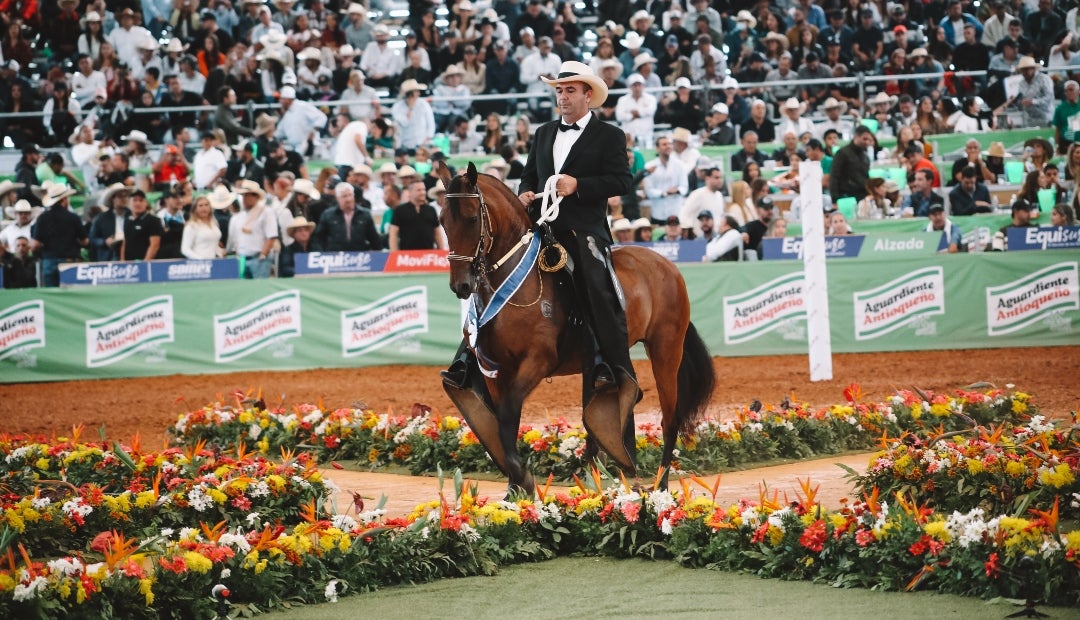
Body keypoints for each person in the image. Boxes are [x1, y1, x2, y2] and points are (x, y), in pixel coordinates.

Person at [445, 59, 636, 405]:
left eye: (570, 91)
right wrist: (524, 194)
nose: (562, 97)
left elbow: (622, 180)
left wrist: (578, 185)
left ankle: (608, 364)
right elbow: (530, 176)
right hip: (541, 226)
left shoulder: (610, 135)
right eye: (560, 91)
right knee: (491, 272)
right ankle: (466, 360)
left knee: (594, 282)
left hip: (583, 230)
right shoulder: (544, 132)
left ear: (588, 95)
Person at [31, 182, 86, 287]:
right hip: (69, 262)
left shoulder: (43, 218)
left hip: (49, 261)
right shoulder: (73, 217)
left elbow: (34, 245)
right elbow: (85, 241)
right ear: (64, 200)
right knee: (71, 295)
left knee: (52, 295)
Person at [227, 180, 279, 278]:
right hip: (242, 259)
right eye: (243, 196)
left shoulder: (266, 212)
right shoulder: (237, 217)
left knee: (260, 288)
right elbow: (234, 239)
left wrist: (263, 255)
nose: (245, 198)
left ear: (256, 197)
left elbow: (271, 236)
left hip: (259, 257)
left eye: (248, 195)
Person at [313, 182, 383, 251]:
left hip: (359, 256)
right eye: (344, 196)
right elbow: (318, 238)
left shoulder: (365, 214)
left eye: (350, 195)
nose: (348, 199)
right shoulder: (328, 215)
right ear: (337, 198)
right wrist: (321, 254)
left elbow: (374, 239)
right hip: (335, 257)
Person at [642, 135, 688, 224]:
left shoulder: (679, 164)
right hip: (658, 213)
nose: (668, 146)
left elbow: (684, 187)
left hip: (676, 212)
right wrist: (664, 193)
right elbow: (649, 191)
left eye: (669, 144)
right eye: (664, 144)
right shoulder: (649, 166)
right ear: (657, 148)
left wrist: (677, 190)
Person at [389, 180, 447, 250]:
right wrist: (394, 253)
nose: (423, 192)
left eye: (424, 189)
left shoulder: (431, 210)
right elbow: (393, 234)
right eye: (419, 190)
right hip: (406, 256)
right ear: (410, 192)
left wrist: (441, 251)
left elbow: (437, 233)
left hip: (428, 255)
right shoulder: (400, 210)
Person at [88, 184, 131, 261]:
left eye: (126, 196)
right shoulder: (101, 218)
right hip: (109, 255)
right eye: (120, 196)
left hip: (128, 253)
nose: (124, 199)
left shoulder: (132, 216)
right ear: (112, 199)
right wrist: (105, 242)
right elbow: (92, 239)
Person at [829, 125, 873, 201]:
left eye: (869, 140)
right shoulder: (842, 153)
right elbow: (834, 176)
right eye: (864, 139)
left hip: (862, 196)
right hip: (846, 196)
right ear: (856, 136)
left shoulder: (865, 157)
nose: (867, 142)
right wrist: (835, 199)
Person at [120, 190, 162, 261]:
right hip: (129, 264)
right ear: (129, 203)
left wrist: (144, 264)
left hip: (145, 263)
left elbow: (154, 245)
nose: (138, 203)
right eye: (134, 200)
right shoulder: (127, 220)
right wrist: (122, 261)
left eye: (141, 200)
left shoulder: (153, 220)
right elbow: (125, 242)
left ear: (146, 203)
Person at [181, 195, 223, 259]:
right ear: (195, 209)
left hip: (215, 261)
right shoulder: (191, 226)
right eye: (200, 205)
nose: (204, 208)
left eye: (206, 205)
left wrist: (220, 251)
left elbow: (212, 244)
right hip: (198, 264)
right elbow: (185, 249)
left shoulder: (214, 223)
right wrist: (201, 259)